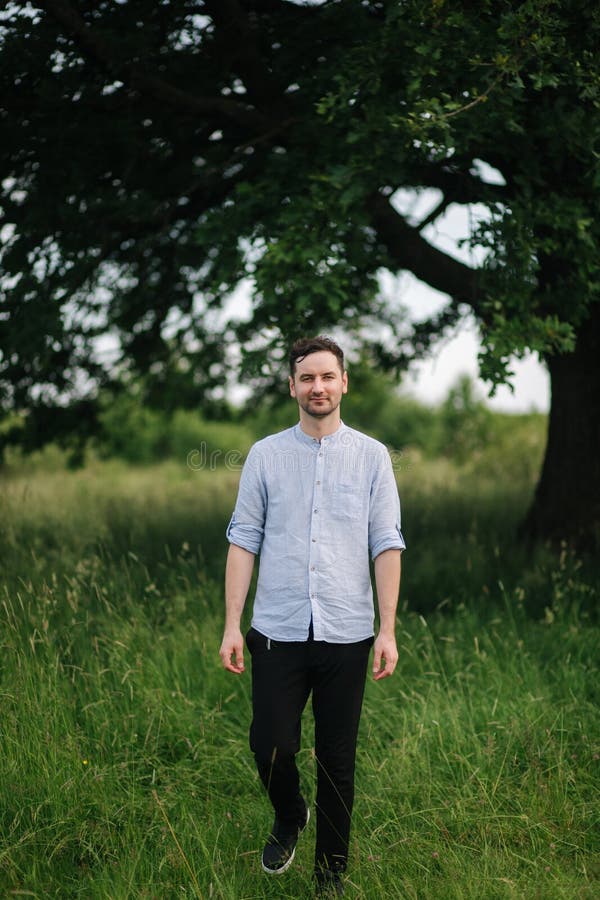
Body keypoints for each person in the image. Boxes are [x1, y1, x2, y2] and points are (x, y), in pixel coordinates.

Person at [219, 336, 405, 896]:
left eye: (328, 376)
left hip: (348, 631)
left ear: (344, 382)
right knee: (269, 745)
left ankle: (330, 877)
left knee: (337, 759)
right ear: (293, 386)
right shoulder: (264, 455)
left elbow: (386, 544)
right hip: (276, 628)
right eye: (307, 378)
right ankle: (288, 813)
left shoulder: (373, 456)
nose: (317, 387)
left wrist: (388, 630)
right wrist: (232, 622)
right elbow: (243, 539)